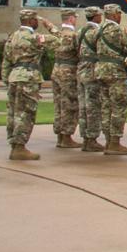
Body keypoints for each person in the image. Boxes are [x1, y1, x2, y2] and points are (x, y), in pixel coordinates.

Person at [1, 9, 58, 160]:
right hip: (28, 77)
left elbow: (6, 61)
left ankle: (14, 145)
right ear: (31, 21)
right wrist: (50, 26)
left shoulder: (12, 37)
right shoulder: (35, 38)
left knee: (13, 112)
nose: (37, 22)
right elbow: (61, 41)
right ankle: (20, 147)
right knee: (26, 112)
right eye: (36, 20)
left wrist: (7, 80)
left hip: (15, 76)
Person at [95, 3, 127, 156]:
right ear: (113, 15)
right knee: (118, 106)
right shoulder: (116, 29)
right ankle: (114, 142)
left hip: (100, 70)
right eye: (118, 14)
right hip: (115, 71)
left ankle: (108, 139)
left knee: (106, 107)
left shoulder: (98, 29)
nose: (120, 16)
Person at [50, 8, 80, 149]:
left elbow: (53, 32)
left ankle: (60, 136)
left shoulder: (58, 34)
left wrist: (48, 25)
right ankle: (66, 136)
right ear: (71, 19)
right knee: (70, 104)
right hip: (68, 72)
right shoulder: (72, 35)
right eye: (75, 17)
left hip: (56, 69)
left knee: (58, 104)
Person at [76, 6, 105, 151]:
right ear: (95, 17)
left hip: (81, 69)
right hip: (92, 70)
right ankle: (92, 139)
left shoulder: (80, 31)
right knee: (93, 106)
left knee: (83, 106)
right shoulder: (96, 32)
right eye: (100, 15)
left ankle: (85, 138)